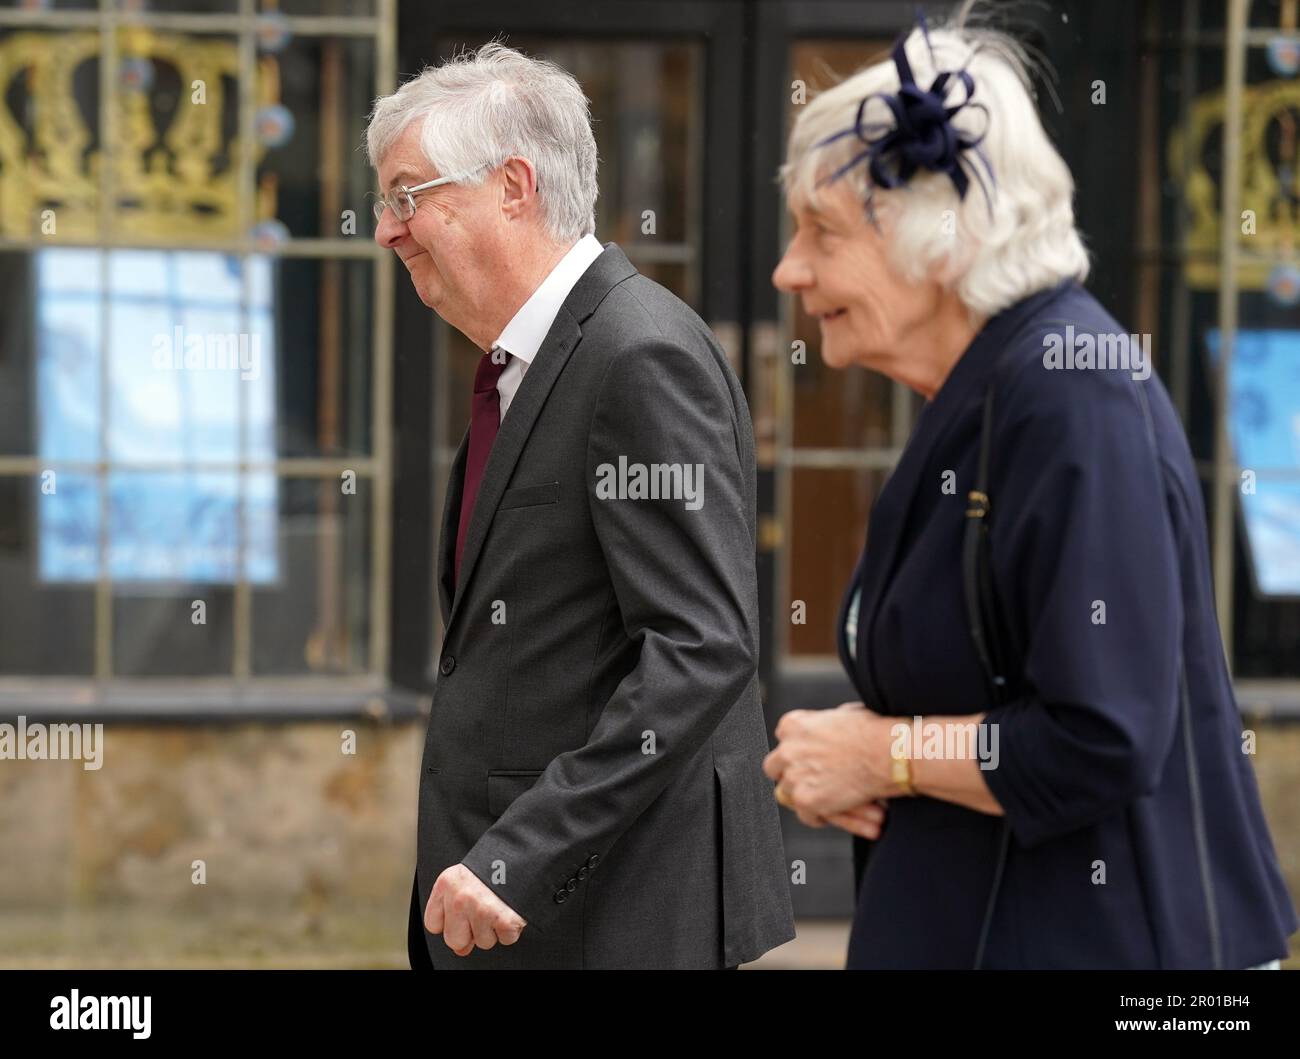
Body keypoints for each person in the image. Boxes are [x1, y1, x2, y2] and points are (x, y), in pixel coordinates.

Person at [764, 10, 1297, 969]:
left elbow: (1103, 736)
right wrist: (863, 749)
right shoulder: (995, 388)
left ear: (940, 237)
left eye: (822, 231)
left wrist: (877, 754)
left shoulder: (1070, 396)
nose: (789, 268)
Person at [368, 42, 794, 969]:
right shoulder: (525, 360)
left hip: (610, 911)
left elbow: (700, 647)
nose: (386, 231)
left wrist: (519, 856)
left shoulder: (639, 357)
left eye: (408, 196)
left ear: (513, 186)